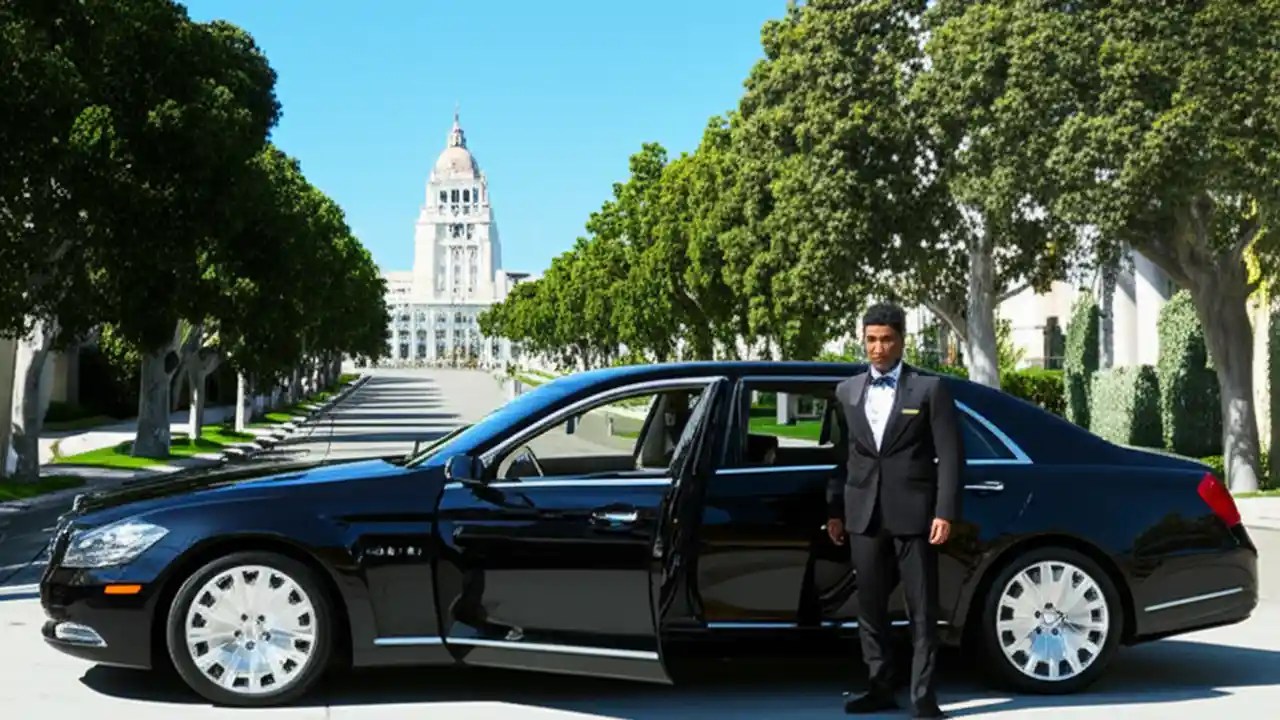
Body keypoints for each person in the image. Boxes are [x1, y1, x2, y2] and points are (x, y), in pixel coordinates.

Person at [826, 302, 963, 719]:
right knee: (869, 607)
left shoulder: (929, 389)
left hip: (915, 514)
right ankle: (879, 687)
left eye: (886, 339)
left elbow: (951, 456)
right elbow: (840, 456)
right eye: (871, 339)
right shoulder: (847, 391)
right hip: (863, 514)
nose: (878, 348)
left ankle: (923, 698)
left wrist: (945, 511)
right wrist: (835, 509)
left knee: (922, 610)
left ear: (902, 340)